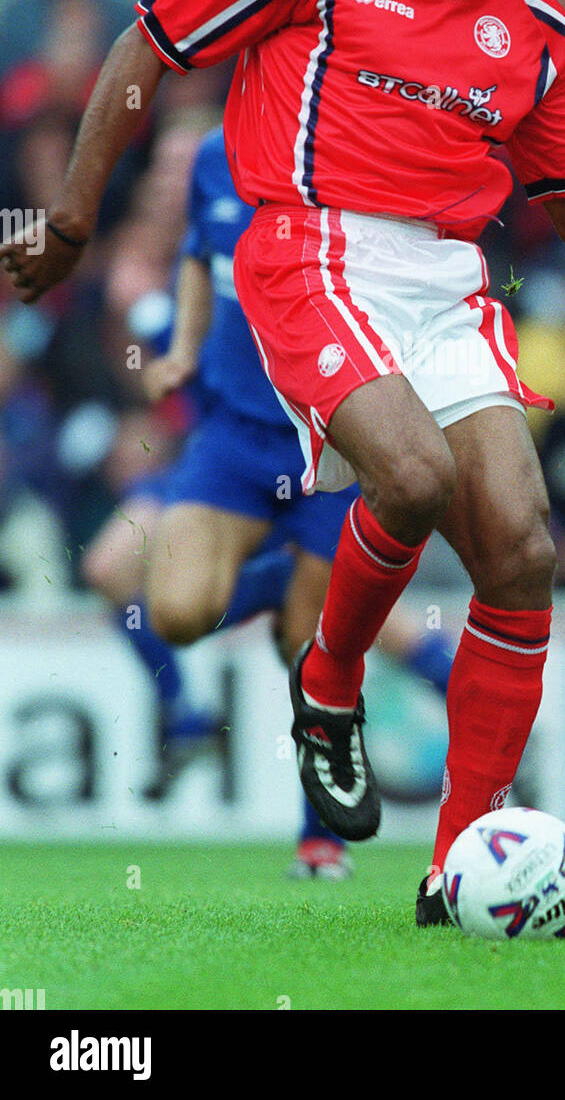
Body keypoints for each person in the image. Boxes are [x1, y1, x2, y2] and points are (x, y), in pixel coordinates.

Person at [0, 0, 565, 926]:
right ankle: (328, 679)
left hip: (446, 282)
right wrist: (75, 221)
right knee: (414, 475)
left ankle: (457, 867)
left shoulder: (537, 31)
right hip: (307, 244)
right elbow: (148, 42)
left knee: (523, 550)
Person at [83, 125, 455, 878]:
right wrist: (183, 351)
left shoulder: (355, 158)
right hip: (232, 440)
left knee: (308, 655)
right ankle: (284, 598)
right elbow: (197, 259)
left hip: (329, 440)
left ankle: (318, 841)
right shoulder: (215, 155)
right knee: (178, 612)